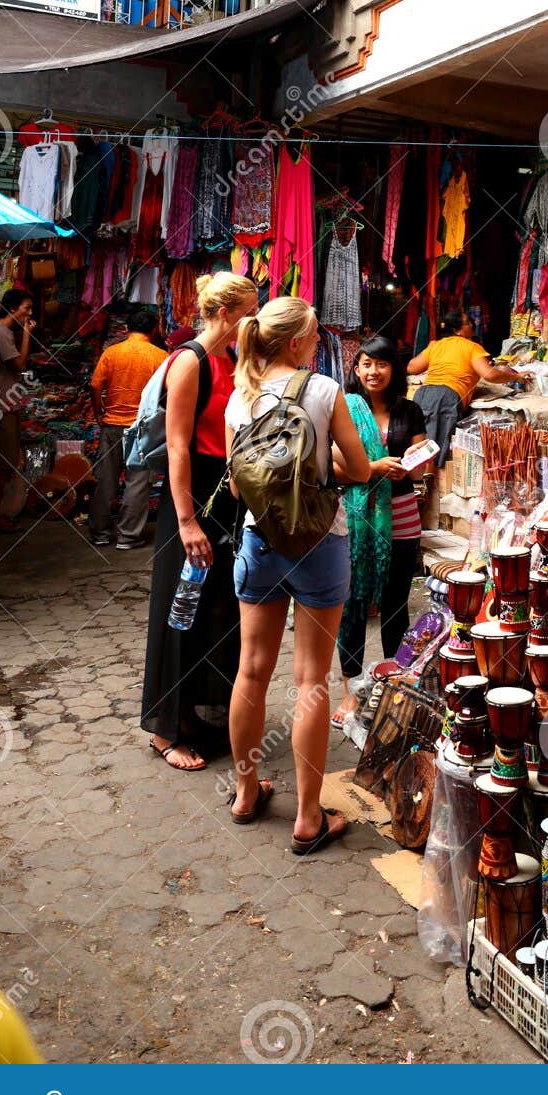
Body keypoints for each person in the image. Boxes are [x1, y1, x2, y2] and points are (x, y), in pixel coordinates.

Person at [225, 297, 370, 852]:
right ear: (294, 342)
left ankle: (245, 793)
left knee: (251, 671)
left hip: (260, 539)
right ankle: (308, 819)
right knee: (311, 680)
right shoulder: (325, 391)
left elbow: (236, 485)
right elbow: (359, 470)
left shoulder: (241, 395)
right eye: (313, 335)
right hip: (320, 540)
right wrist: (322, 462)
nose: (317, 343)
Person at [141, 272, 259, 773]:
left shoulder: (231, 359)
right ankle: (165, 731)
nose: (256, 319)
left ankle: (198, 714)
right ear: (226, 313)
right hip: (190, 499)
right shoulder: (189, 361)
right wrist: (187, 522)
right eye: (251, 311)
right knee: (180, 609)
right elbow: (177, 447)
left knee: (216, 608)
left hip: (223, 497)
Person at [335, 336, 430, 722]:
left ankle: (395, 685)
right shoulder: (343, 408)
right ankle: (350, 692)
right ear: (356, 369)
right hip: (355, 520)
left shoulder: (409, 411)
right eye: (367, 364)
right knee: (352, 604)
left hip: (402, 517)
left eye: (382, 364)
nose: (374, 371)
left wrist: (413, 464)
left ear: (394, 369)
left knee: (394, 605)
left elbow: (422, 467)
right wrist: (372, 469)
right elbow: (331, 467)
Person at [88, 306, 166, 549]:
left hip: (112, 425)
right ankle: (128, 536)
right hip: (142, 428)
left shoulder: (111, 353)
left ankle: (100, 532)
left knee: (106, 480)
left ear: (127, 328)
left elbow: (95, 386)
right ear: (153, 329)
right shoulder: (160, 357)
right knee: (138, 482)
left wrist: (99, 413)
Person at [406, 309, 522, 463]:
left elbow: (412, 367)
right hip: (445, 397)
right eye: (468, 323)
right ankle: (429, 477)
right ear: (457, 330)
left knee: (418, 444)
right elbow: (489, 375)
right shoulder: (472, 347)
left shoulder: (436, 345)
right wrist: (515, 376)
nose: (472, 325)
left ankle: (416, 476)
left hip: (423, 394)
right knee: (434, 450)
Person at [0, 288, 33, 533]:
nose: (29, 314)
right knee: (3, 464)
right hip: (2, 404)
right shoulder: (2, 332)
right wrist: (27, 335)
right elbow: (19, 365)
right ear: (12, 308)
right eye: (26, 308)